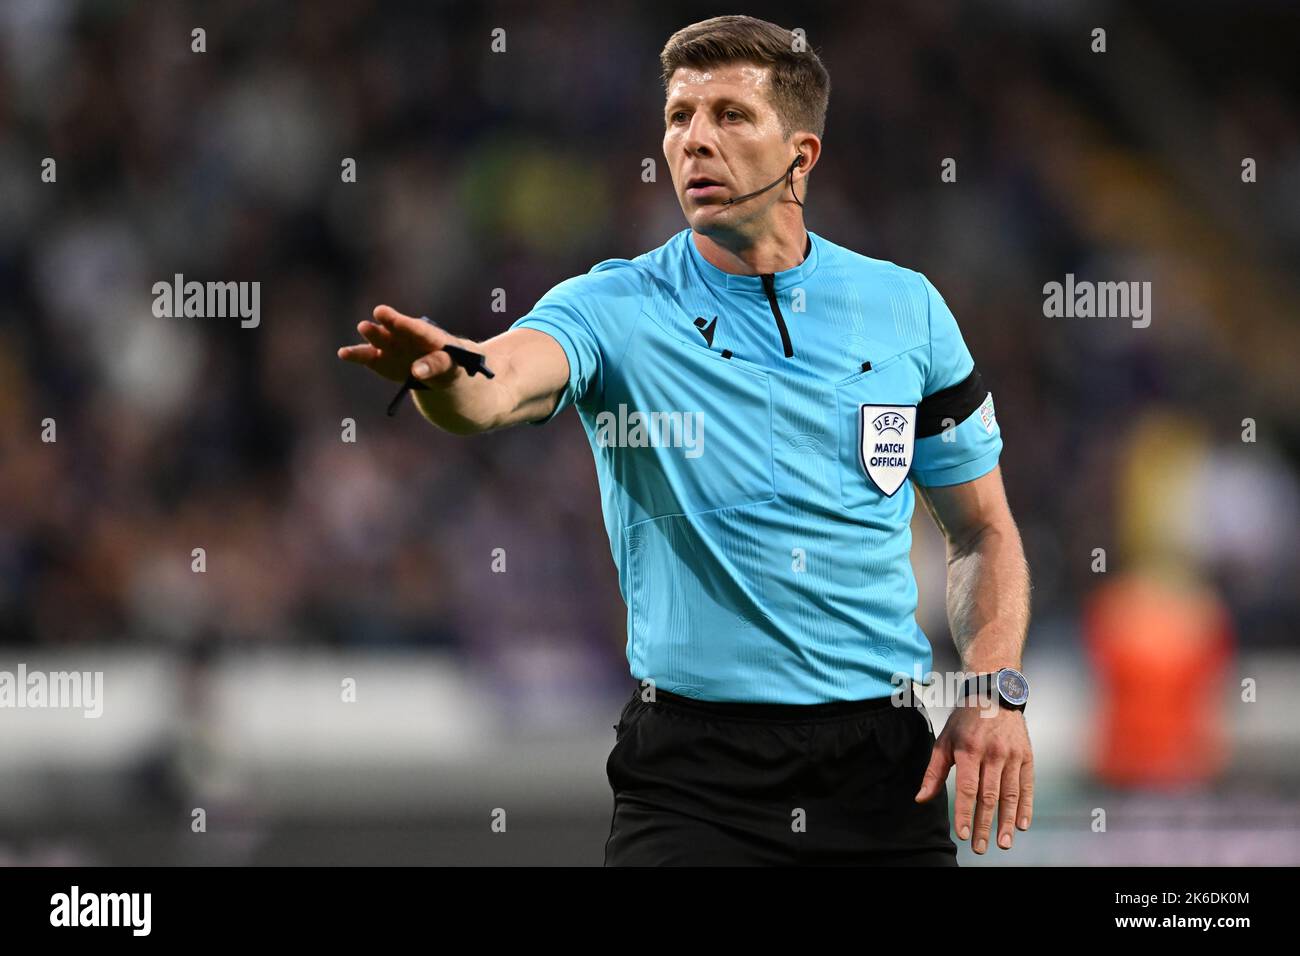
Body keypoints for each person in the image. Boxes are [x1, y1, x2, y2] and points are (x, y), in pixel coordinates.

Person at [338, 15, 1033, 866]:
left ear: (800, 156)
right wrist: (446, 372)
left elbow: (983, 531)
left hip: (882, 772)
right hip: (693, 784)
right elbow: (500, 385)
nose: (694, 140)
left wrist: (993, 689)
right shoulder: (617, 306)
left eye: (730, 115)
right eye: (678, 117)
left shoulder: (907, 310)